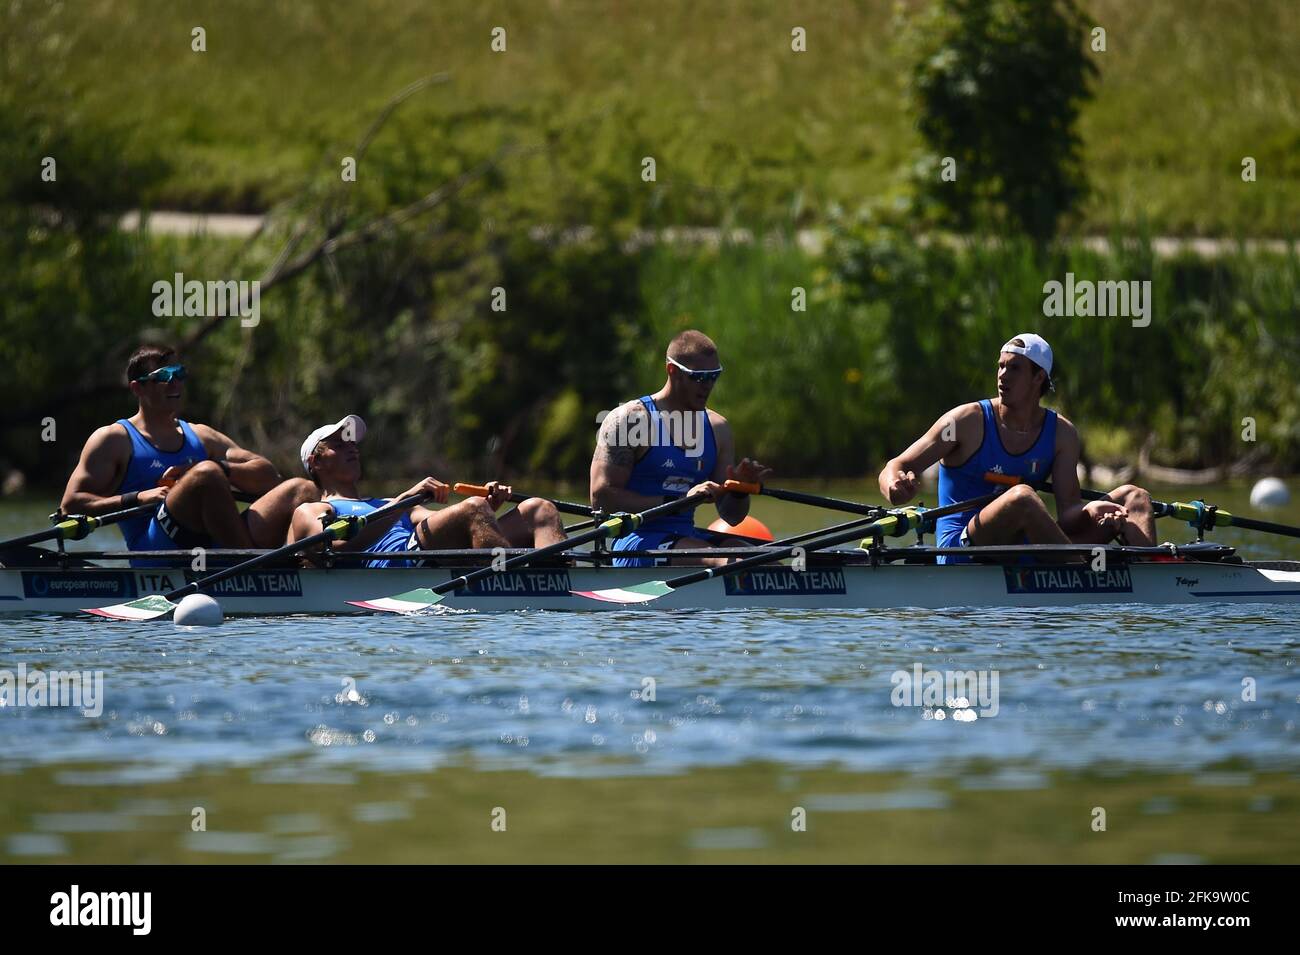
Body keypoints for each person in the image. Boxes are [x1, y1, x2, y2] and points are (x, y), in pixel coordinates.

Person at [877, 334, 1155, 561]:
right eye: (1001, 366)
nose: (1002, 375)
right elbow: (897, 466)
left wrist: (1092, 511)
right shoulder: (965, 422)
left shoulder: (1062, 434)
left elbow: (1069, 513)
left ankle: (1156, 578)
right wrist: (894, 487)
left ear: (1038, 379)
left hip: (1029, 545)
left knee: (1136, 497)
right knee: (1022, 497)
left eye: (1014, 368)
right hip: (962, 548)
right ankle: (1083, 575)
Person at [59, 344, 318, 561]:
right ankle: (254, 565)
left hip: (213, 546)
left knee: (301, 489)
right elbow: (69, 507)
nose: (175, 383)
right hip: (156, 550)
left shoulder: (201, 435)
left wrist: (222, 469)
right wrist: (138, 498)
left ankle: (304, 571)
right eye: (163, 377)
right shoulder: (113, 439)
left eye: (179, 373)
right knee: (205, 473)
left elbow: (269, 478)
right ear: (138, 388)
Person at [590, 329, 771, 567]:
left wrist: (738, 491)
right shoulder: (631, 420)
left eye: (714, 376)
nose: (708, 385)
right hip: (634, 541)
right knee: (728, 561)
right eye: (698, 377)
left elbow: (732, 517)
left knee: (763, 560)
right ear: (672, 371)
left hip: (686, 538)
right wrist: (679, 500)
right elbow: (601, 498)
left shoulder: (718, 429)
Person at [287, 415, 565, 566]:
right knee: (474, 508)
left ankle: (560, 584)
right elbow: (335, 550)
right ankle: (513, 587)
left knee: (539, 509)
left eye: (353, 443)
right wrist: (403, 501)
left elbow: (452, 522)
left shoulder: (385, 502)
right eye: (340, 443)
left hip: (424, 553)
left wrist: (491, 504)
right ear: (316, 461)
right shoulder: (312, 510)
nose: (353, 447)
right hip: (393, 567)